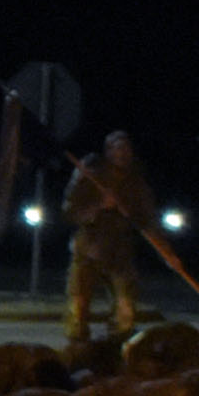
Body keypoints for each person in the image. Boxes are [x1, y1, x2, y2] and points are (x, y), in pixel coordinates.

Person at [65, 129, 158, 351]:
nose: (123, 154)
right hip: (90, 249)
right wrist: (99, 206)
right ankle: (78, 349)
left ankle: (118, 346)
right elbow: (69, 211)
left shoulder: (136, 181)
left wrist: (167, 252)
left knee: (125, 306)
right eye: (118, 148)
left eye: (126, 149)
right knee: (79, 305)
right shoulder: (90, 176)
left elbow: (148, 218)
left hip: (120, 252)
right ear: (108, 151)